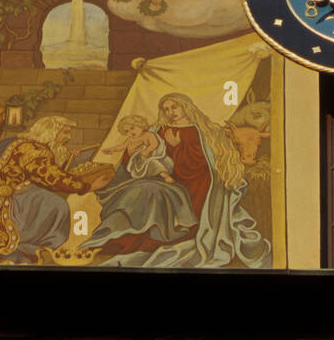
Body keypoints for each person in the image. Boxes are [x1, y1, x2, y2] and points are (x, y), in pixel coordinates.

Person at [92, 92, 270, 268]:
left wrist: (177, 148)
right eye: (166, 109)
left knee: (149, 191)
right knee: (137, 190)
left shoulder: (203, 131)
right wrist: (131, 154)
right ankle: (124, 239)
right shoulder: (157, 129)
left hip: (192, 185)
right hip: (159, 178)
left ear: (185, 106)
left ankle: (157, 239)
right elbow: (138, 157)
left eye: (174, 107)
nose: (170, 112)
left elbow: (202, 165)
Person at [0, 115, 112, 263]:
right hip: (9, 200)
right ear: (51, 132)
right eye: (65, 132)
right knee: (56, 204)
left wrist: (67, 157)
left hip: (17, 191)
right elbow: (51, 177)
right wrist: (87, 186)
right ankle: (37, 246)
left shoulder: (25, 143)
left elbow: (46, 171)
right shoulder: (33, 149)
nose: (69, 137)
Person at [102, 115, 174, 181]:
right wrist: (112, 149)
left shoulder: (148, 135)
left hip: (150, 157)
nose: (130, 132)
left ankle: (166, 176)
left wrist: (147, 150)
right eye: (127, 131)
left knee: (154, 163)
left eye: (132, 128)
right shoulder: (130, 139)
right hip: (138, 160)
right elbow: (122, 146)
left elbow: (155, 144)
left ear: (141, 126)